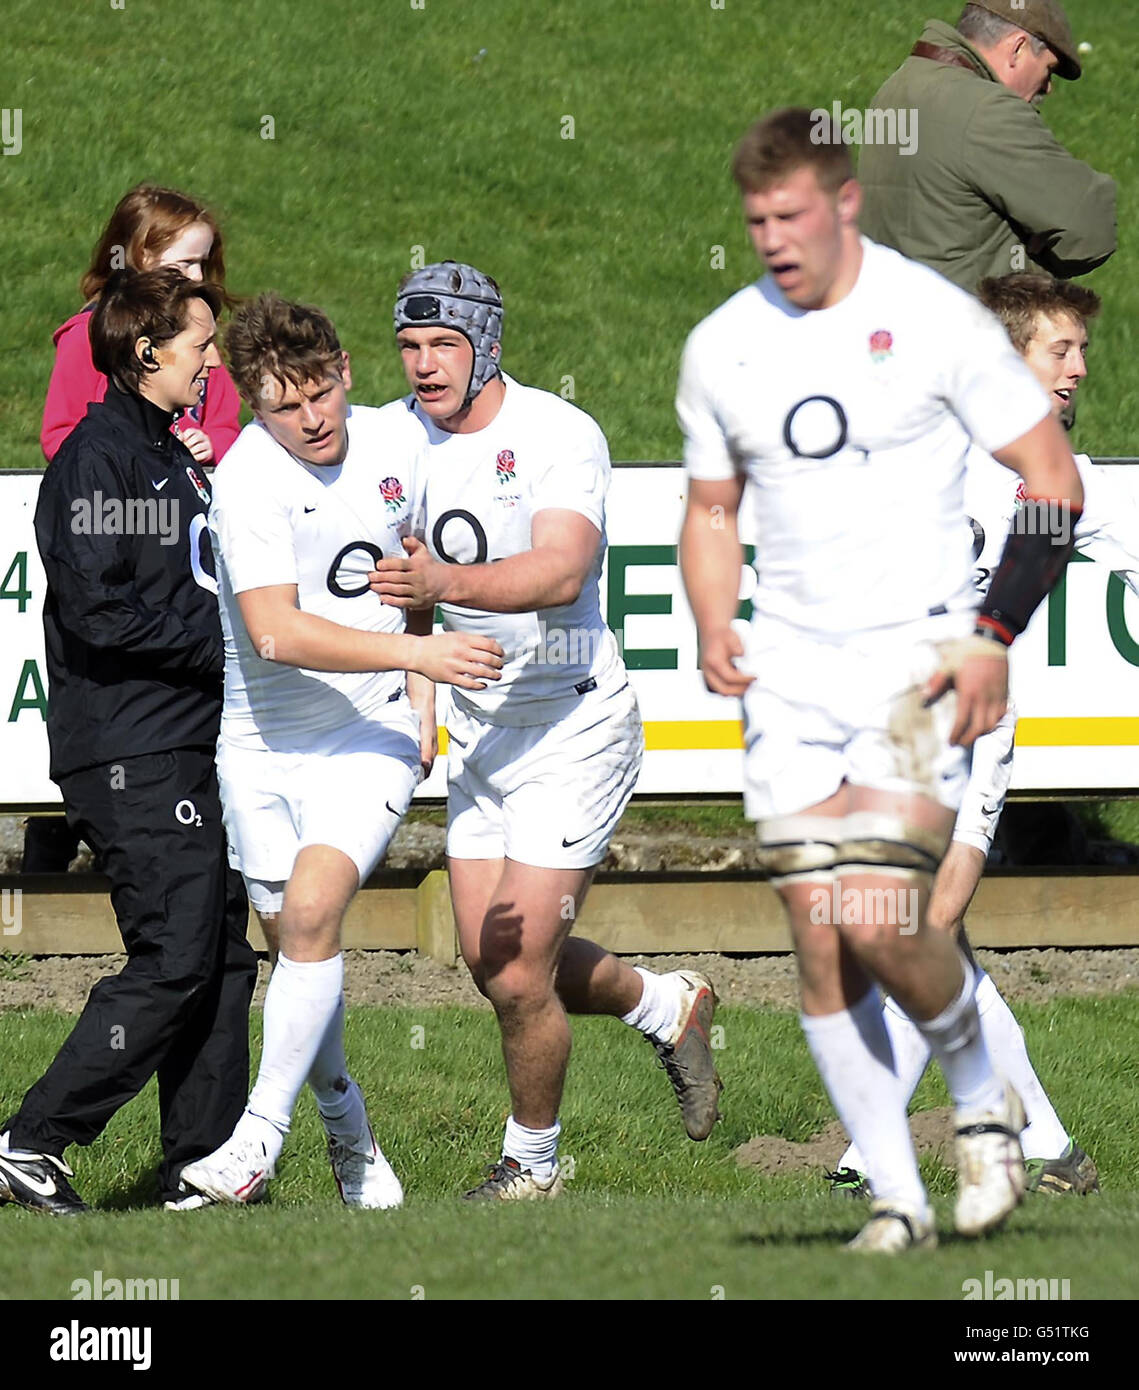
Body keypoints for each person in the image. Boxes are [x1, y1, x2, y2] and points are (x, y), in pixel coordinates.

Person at [676, 109, 1083, 1252]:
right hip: (791, 677)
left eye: (789, 217)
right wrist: (715, 616)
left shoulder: (931, 321)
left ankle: (977, 1087)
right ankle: (898, 1197)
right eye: (753, 221)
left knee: (878, 910)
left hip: (916, 666)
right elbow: (709, 510)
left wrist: (993, 631)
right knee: (817, 929)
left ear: (844, 203)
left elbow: (1048, 477)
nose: (770, 240)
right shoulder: (722, 345)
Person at [370, 261, 722, 1201]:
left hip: (572, 729)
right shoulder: (395, 438)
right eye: (409, 347)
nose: (423, 365)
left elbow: (562, 571)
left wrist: (443, 589)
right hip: (484, 734)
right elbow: (391, 562)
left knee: (520, 966)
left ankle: (531, 1166)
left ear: (486, 344)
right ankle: (663, 1004)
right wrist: (417, 676)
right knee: (493, 965)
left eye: (443, 345)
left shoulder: (559, 433)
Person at [178, 294, 504, 1209]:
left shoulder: (399, 445)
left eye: (320, 393)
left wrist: (421, 687)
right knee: (298, 950)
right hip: (260, 744)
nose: (311, 420)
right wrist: (419, 652)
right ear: (252, 407)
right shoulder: (246, 481)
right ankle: (348, 1133)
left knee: (315, 912)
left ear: (346, 372)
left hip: (370, 730)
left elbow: (412, 573)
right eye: (285, 407)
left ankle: (254, 1142)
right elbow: (276, 634)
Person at [829, 273, 1139, 1200]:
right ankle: (1046, 1143)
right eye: (1060, 349)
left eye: (1080, 350)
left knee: (925, 919)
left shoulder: (1054, 476)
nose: (1080, 368)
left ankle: (879, 1147)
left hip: (974, 731)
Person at [0, 268, 257, 1215]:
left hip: (190, 742)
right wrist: (225, 641)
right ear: (146, 352)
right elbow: (98, 614)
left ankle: (205, 1165)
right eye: (198, 344)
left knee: (223, 953)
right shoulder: (97, 460)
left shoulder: (176, 456)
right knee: (177, 955)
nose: (212, 360)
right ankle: (34, 1141)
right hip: (130, 748)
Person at [28, 182, 244, 873]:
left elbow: (232, 426)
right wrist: (141, 469)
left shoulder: (202, 343)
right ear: (128, 258)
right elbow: (64, 437)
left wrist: (216, 448)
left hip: (193, 568)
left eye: (203, 267)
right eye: (177, 266)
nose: (194, 279)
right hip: (129, 554)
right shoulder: (89, 340)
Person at [859, 2, 1115, 292]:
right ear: (1017, 48)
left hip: (890, 319)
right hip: (968, 326)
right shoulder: (987, 110)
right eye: (1049, 69)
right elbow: (1092, 229)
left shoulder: (896, 89)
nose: (1048, 87)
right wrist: (1029, 239)